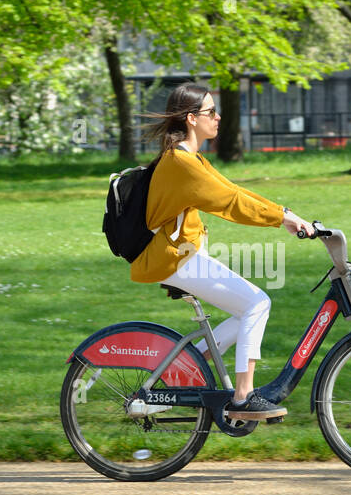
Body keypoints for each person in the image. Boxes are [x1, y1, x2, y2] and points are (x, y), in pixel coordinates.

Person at [131, 83, 315, 421]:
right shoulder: (181, 163)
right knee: (257, 303)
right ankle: (243, 399)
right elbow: (230, 203)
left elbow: (232, 190)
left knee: (248, 309)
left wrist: (285, 213)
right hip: (175, 258)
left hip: (182, 255)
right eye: (210, 112)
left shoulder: (190, 158)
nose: (218, 117)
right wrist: (283, 218)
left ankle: (188, 369)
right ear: (191, 118)